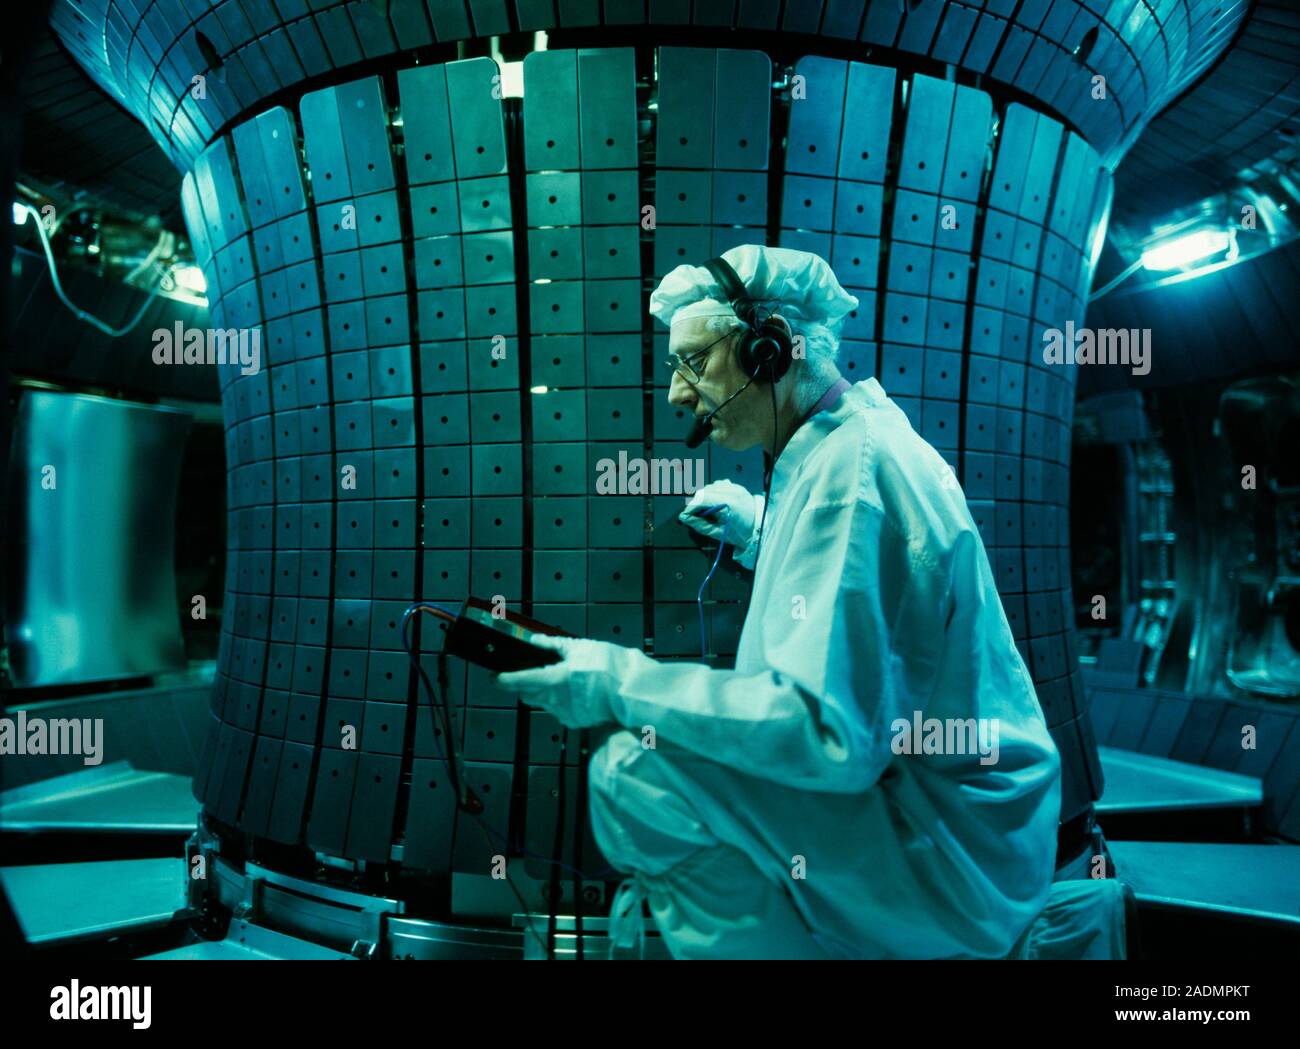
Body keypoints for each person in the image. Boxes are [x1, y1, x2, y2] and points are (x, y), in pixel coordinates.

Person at [497, 244, 1062, 959]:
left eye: (694, 364)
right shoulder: (842, 445)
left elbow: (825, 738)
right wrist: (760, 532)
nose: (676, 394)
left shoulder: (854, 480)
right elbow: (866, 601)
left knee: (633, 776)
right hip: (959, 819)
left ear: (770, 351)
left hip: (947, 853)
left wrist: (616, 681)